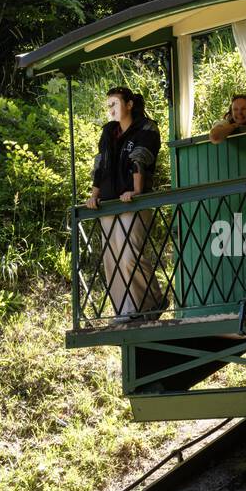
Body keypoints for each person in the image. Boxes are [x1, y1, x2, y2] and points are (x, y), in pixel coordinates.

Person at [85, 86, 165, 321]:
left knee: (130, 254)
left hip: (132, 200)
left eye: (115, 104)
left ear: (129, 104)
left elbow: (141, 158)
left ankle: (150, 304)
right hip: (109, 201)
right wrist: (94, 195)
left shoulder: (146, 128)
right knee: (112, 257)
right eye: (108, 105)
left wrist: (136, 191)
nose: (110, 109)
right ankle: (125, 311)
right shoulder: (109, 131)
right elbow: (100, 164)